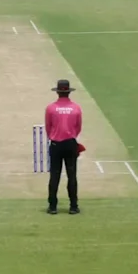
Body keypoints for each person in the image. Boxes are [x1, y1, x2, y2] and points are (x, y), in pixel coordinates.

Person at [45, 79, 83, 215]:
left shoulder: (51, 108)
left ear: (58, 92)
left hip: (55, 144)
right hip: (70, 144)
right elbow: (78, 127)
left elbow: (48, 127)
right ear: (68, 92)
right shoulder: (76, 108)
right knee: (72, 175)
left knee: (54, 175)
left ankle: (53, 206)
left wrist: (54, 137)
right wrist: (71, 136)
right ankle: (73, 206)